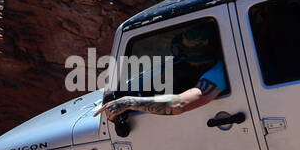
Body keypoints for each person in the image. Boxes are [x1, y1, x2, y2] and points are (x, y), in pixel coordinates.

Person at [96, 23, 227, 120]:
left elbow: (179, 104)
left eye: (187, 56)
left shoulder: (218, 73)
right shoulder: (217, 62)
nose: (185, 60)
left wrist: (129, 102)